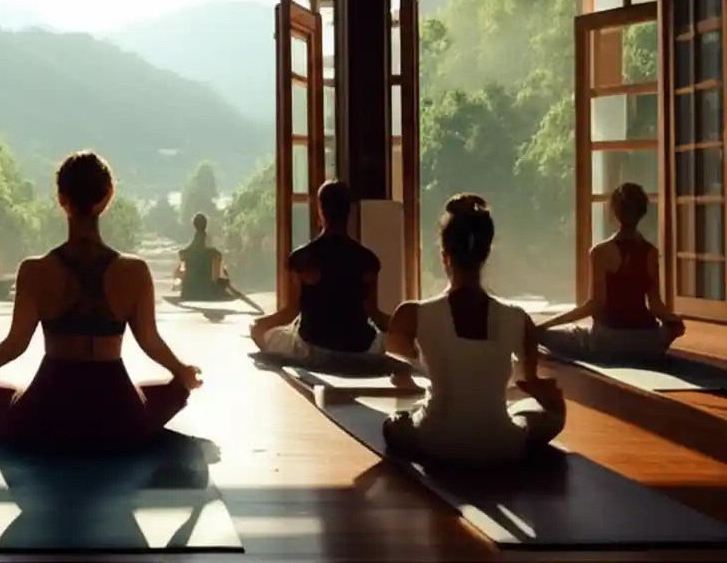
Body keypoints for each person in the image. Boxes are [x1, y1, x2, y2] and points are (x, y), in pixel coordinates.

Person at [0, 151, 202, 453]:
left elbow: (15, 343)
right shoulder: (135, 271)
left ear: (61, 199)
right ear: (107, 197)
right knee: (176, 390)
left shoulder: (34, 270)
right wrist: (182, 371)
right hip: (119, 414)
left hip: (47, 413)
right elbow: (150, 341)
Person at [382, 194, 566, 465]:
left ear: (445, 256)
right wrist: (552, 398)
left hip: (434, 441)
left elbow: (399, 370)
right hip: (502, 445)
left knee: (393, 423)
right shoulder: (519, 319)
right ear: (486, 254)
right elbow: (528, 383)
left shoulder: (411, 314)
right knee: (543, 413)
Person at [537, 183, 684, 362]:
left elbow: (594, 305)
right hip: (647, 341)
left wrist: (545, 325)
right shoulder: (650, 252)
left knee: (551, 336)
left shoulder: (600, 252)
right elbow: (656, 305)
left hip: (609, 341)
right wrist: (674, 322)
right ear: (642, 213)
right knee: (669, 330)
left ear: (614, 212)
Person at [250, 180, 388, 367]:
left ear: (320, 211)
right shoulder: (368, 260)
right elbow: (374, 313)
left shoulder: (302, 258)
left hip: (312, 347)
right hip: (360, 348)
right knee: (386, 340)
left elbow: (291, 312)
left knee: (258, 329)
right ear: (350, 212)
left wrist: (259, 325)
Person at [172, 213, 233, 301]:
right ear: (206, 225)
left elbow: (178, 274)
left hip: (189, 293)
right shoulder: (214, 254)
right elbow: (215, 278)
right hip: (207, 293)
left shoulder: (185, 253)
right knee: (224, 282)